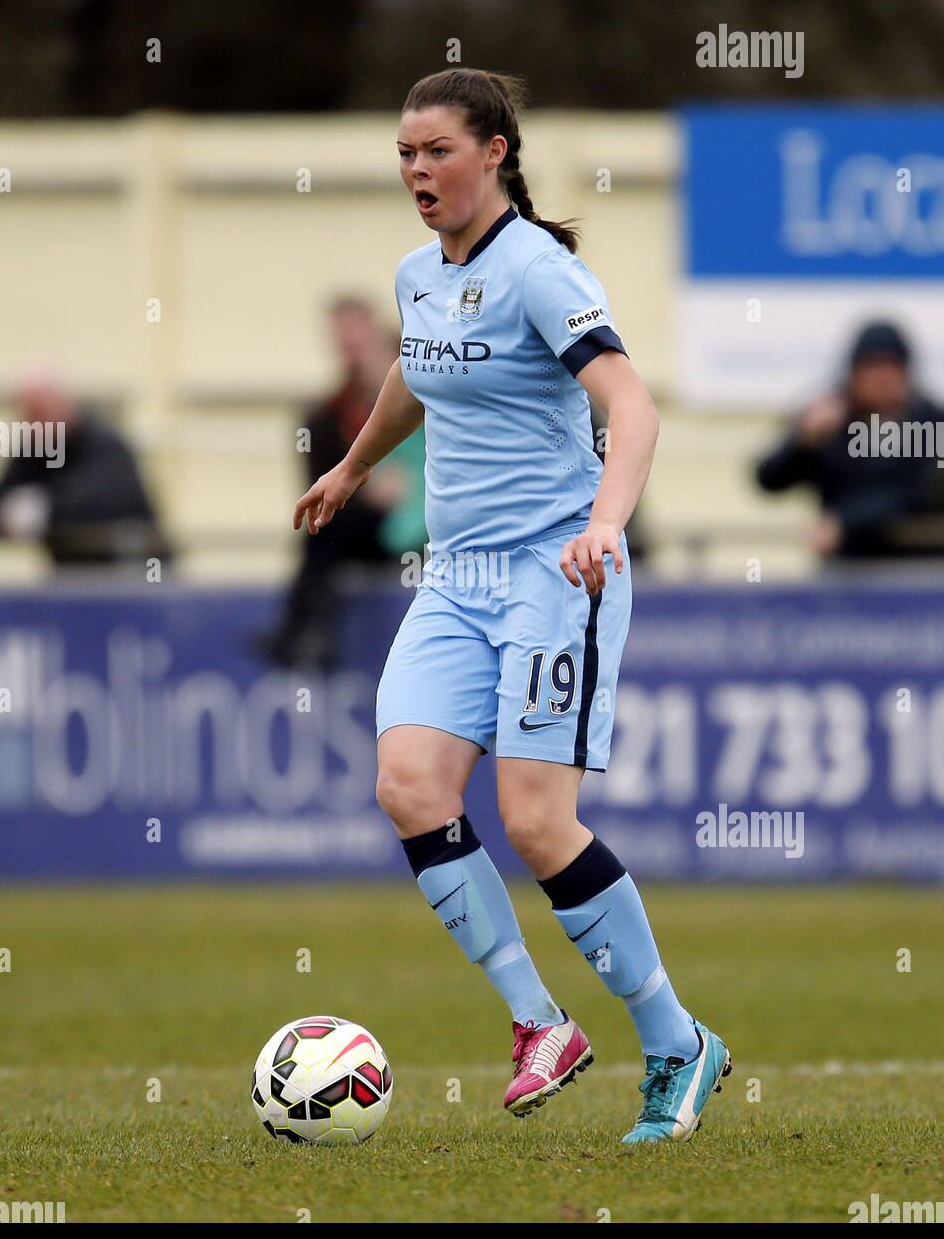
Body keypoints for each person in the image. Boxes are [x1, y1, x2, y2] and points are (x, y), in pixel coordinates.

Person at [293, 69, 730, 1144]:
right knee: (408, 785)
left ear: (494, 152)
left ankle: (677, 1042)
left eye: (435, 150)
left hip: (554, 571)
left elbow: (630, 403)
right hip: (454, 576)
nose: (416, 172)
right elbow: (416, 370)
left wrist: (603, 522)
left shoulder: (541, 269)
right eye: (403, 153)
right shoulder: (417, 273)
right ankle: (541, 1023)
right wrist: (351, 468)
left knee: (536, 820)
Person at [258, 297, 426, 669]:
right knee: (325, 530)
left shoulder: (423, 407)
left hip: (415, 534)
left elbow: (416, 488)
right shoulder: (328, 414)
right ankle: (304, 632)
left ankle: (301, 632)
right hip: (381, 526)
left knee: (326, 533)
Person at [756, 322, 944, 559]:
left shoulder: (932, 422)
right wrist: (802, 442)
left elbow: (920, 492)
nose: (882, 378)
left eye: (892, 366)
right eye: (872, 366)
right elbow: (768, 481)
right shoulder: (830, 422)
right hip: (846, 576)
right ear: (853, 373)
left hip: (920, 574)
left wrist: (845, 523)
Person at [0, 375, 170, 567]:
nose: (34, 422)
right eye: (29, 414)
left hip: (132, 573)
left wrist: (44, 508)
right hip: (70, 576)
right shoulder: (35, 447)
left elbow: (101, 501)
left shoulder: (105, 444)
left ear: (65, 406)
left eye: (41, 411)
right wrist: (6, 515)